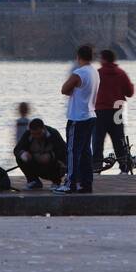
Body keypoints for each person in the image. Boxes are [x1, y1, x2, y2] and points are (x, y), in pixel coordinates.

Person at [56, 44, 99, 194]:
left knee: (73, 152)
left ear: (78, 56)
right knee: (86, 151)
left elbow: (64, 89)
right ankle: (87, 184)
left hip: (77, 117)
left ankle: (70, 183)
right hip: (91, 115)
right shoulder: (94, 72)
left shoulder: (79, 73)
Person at [93, 48, 135, 171]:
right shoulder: (121, 73)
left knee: (97, 141)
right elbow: (130, 92)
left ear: (104, 59)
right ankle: (124, 167)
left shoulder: (97, 73)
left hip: (100, 110)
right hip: (118, 110)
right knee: (119, 140)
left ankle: (96, 168)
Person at [13, 117, 67, 189]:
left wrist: (51, 156)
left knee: (60, 163)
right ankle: (33, 181)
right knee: (19, 158)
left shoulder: (53, 133)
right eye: (33, 134)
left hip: (53, 167)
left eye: (38, 133)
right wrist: (23, 154)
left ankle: (56, 182)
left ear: (44, 129)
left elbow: (64, 150)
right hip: (36, 164)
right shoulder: (27, 134)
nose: (36, 136)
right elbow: (17, 149)